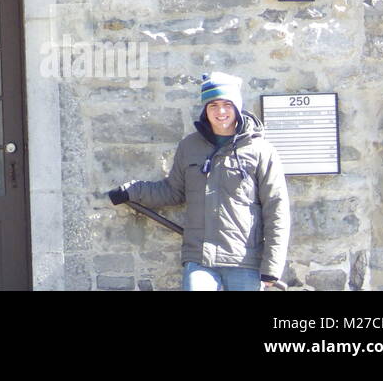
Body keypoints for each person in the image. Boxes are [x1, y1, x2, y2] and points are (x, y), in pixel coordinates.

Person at [107, 71, 290, 290]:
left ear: (237, 107)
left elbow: (276, 208)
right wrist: (131, 191)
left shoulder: (261, 150)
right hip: (199, 259)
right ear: (205, 109)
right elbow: (173, 191)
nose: (220, 111)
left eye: (226, 104)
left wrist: (272, 266)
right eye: (213, 105)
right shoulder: (189, 146)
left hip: (245, 261)